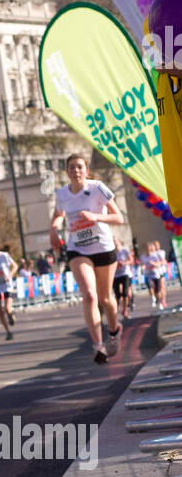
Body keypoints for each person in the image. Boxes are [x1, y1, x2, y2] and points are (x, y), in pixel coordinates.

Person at [50, 154, 123, 362]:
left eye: (80, 167)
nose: (76, 171)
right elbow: (58, 215)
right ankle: (98, 345)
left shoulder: (98, 188)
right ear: (67, 172)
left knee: (105, 298)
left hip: (103, 248)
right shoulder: (62, 194)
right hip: (78, 249)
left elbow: (119, 217)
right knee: (90, 295)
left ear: (87, 171)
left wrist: (96, 217)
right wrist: (53, 231)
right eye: (71, 168)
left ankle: (114, 331)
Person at [113, 236, 135, 320]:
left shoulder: (124, 250)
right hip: (115, 275)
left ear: (119, 241)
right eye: (113, 241)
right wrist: (115, 265)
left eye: (115, 241)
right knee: (118, 295)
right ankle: (122, 306)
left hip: (125, 273)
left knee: (125, 293)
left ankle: (125, 310)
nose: (114, 243)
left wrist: (124, 263)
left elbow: (131, 260)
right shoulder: (111, 252)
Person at [143, 239, 168, 310]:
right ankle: (155, 298)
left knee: (161, 287)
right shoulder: (145, 256)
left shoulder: (159, 253)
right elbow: (144, 264)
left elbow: (164, 262)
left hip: (159, 273)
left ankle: (162, 301)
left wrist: (155, 264)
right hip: (150, 274)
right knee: (152, 287)